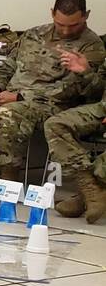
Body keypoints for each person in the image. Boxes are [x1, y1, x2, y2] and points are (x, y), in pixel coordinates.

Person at [0, 0, 105, 202]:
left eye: (73, 26)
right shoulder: (33, 34)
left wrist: (19, 96)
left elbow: (72, 90)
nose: (65, 30)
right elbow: (8, 66)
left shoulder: (91, 46)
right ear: (52, 13)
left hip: (50, 106)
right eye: (60, 24)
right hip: (8, 97)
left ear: (86, 16)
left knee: (8, 113)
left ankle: (9, 184)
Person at [44, 57, 106, 223]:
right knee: (55, 125)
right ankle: (90, 188)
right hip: (102, 107)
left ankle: (90, 194)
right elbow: (98, 89)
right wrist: (86, 73)